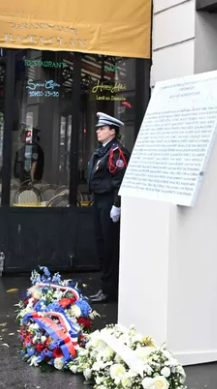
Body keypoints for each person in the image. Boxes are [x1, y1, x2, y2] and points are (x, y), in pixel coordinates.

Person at [86, 112, 128, 304]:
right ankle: (105, 286)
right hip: (99, 201)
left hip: (109, 202)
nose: (98, 131)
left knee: (109, 247)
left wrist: (117, 205)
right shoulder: (102, 150)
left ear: (113, 131)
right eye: (98, 128)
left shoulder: (116, 152)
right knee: (102, 245)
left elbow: (120, 181)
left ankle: (109, 290)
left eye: (102, 128)